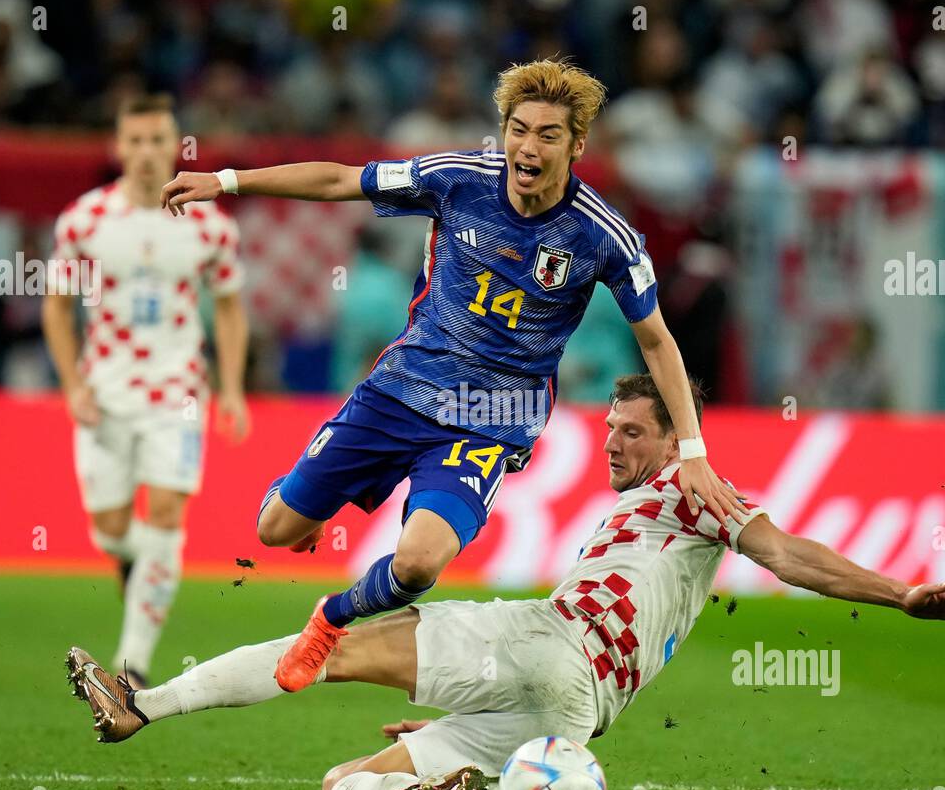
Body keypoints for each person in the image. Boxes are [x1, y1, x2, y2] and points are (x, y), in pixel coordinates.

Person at [66, 373, 945, 790]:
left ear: (677, 438)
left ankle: (140, 706)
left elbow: (788, 557)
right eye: (611, 428)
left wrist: (900, 593)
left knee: (335, 649)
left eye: (632, 430)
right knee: (339, 787)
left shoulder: (691, 487)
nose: (614, 444)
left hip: (552, 645)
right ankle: (440, 787)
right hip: (570, 714)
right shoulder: (649, 513)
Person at [159, 57, 747, 694]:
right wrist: (225, 180)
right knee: (275, 530)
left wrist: (692, 451)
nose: (529, 147)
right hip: (401, 391)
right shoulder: (456, 179)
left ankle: (332, 618)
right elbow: (336, 180)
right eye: (519, 130)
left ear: (576, 145)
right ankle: (311, 508)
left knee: (417, 565)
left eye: (549, 135)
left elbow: (658, 342)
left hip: (492, 421)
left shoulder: (605, 237)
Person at [41, 94, 250, 687]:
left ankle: (131, 667)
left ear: (176, 145)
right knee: (108, 528)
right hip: (105, 391)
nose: (145, 152)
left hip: (179, 391)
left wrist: (231, 389)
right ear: (117, 147)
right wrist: (72, 385)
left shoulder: (209, 222)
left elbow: (231, 309)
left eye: (158, 140)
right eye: (133, 141)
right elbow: (56, 308)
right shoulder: (85, 220)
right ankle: (150, 564)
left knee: (164, 511)